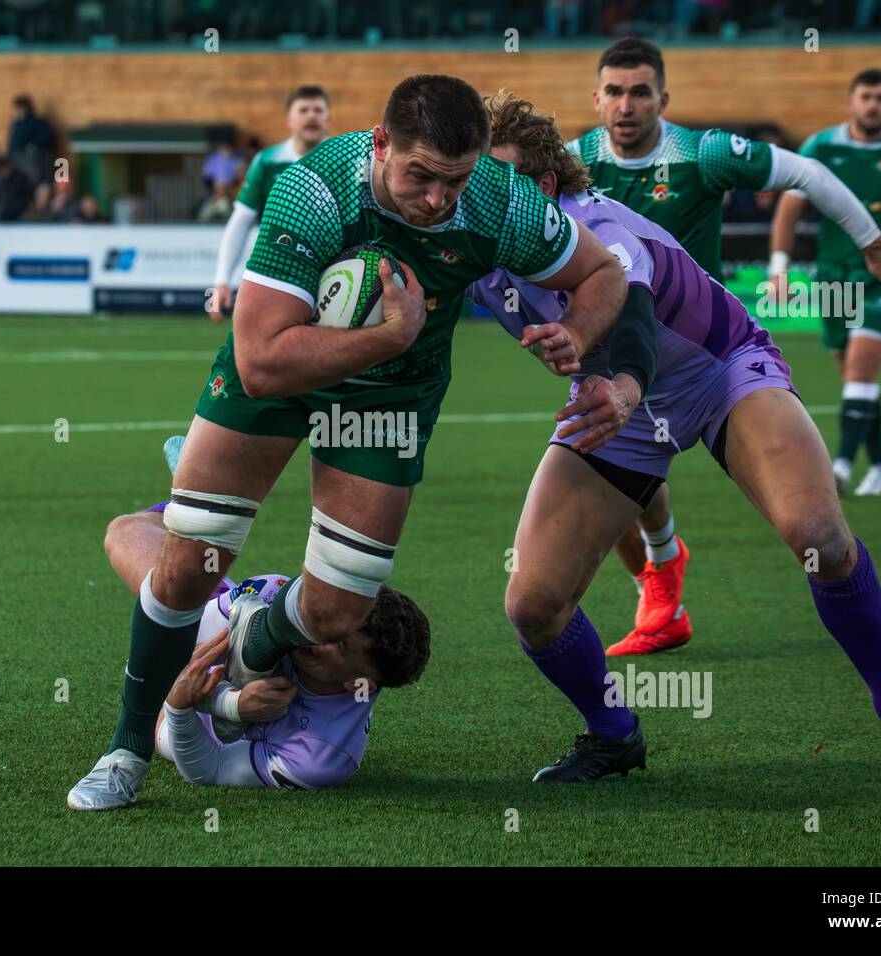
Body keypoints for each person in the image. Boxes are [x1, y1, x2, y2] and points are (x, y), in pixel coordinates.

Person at [66, 73, 632, 809]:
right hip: (281, 371)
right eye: (420, 176)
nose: (437, 200)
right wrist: (392, 332)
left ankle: (250, 634)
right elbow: (261, 363)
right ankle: (127, 749)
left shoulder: (500, 198)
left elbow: (603, 271)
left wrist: (579, 332)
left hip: (391, 399)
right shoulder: (314, 189)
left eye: (454, 181)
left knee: (333, 614)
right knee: (185, 570)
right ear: (380, 144)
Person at [471, 89, 881, 783]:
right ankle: (614, 733)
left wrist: (624, 388)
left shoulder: (595, 230)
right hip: (620, 403)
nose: (475, 197)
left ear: (546, 186)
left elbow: (636, 321)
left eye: (497, 181)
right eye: (470, 181)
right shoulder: (475, 251)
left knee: (818, 538)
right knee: (532, 605)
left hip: (720, 369)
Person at [565, 36, 881, 653]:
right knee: (605, 474)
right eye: (614, 92)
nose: (626, 104)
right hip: (619, 353)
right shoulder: (570, 165)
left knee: (809, 526)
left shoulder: (704, 154)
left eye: (640, 92)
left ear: (662, 98)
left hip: (709, 352)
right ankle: (663, 571)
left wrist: (871, 238)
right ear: (596, 98)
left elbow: (804, 172)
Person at [66, 438, 429, 805]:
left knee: (165, 726)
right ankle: (194, 509)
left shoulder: (321, 759)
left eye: (337, 642)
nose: (317, 631)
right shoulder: (281, 598)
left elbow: (208, 768)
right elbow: (172, 643)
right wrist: (231, 702)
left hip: (187, 721)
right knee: (126, 532)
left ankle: (199, 507)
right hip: (234, 619)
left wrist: (185, 705)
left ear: (359, 684)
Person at [772, 68, 881, 498]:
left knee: (860, 369)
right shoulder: (821, 146)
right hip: (835, 276)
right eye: (866, 97)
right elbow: (790, 209)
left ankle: (841, 467)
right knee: (855, 377)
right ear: (851, 102)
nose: (873, 105)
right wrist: (779, 268)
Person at [208, 84, 331, 321]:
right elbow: (240, 221)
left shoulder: (344, 160)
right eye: (303, 110)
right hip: (279, 275)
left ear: (328, 118)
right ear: (288, 120)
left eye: (318, 110)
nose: (312, 116)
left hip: (331, 274)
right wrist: (221, 280)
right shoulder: (266, 162)